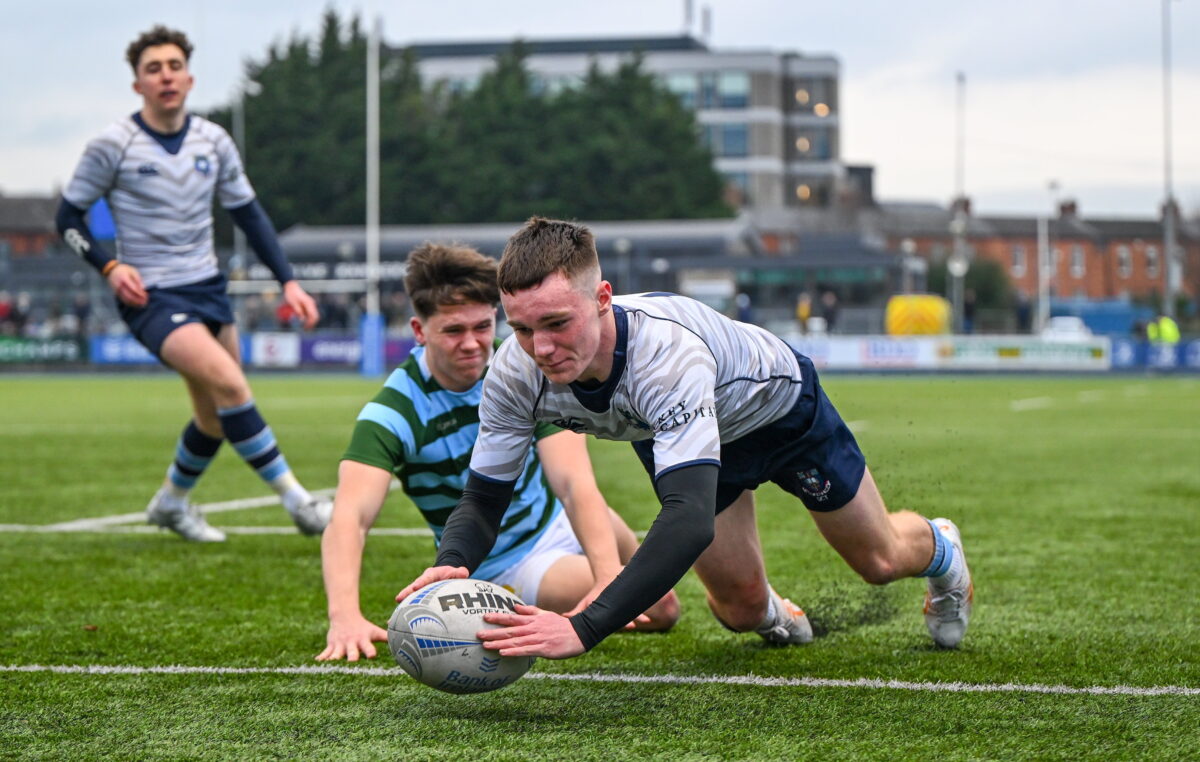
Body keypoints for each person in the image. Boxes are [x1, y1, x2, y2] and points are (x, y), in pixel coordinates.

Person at [398, 217, 973, 659]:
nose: (540, 347)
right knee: (740, 611)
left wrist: (583, 627)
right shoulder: (513, 371)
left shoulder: (664, 357)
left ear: (603, 300)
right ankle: (777, 610)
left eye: (557, 324)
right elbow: (483, 498)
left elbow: (687, 517)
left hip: (778, 416)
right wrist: (455, 562)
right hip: (676, 432)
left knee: (879, 560)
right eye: (522, 328)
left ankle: (940, 546)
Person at [317, 244, 678, 662]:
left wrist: (605, 576)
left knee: (647, 586)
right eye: (453, 331)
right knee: (661, 608)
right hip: (512, 560)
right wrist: (344, 615)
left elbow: (573, 483)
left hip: (556, 515)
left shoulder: (524, 370)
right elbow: (350, 516)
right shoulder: (392, 413)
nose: (472, 344)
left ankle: (765, 602)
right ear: (419, 331)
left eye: (482, 327)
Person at [55, 25, 331, 542]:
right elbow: (67, 217)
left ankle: (170, 503)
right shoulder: (113, 144)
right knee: (231, 386)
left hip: (209, 290)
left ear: (189, 77)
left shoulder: (214, 140)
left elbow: (249, 216)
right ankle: (300, 503)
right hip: (152, 297)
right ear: (137, 84)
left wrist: (289, 283)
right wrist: (109, 266)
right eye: (153, 68)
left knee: (212, 418)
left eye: (174, 66)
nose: (166, 76)